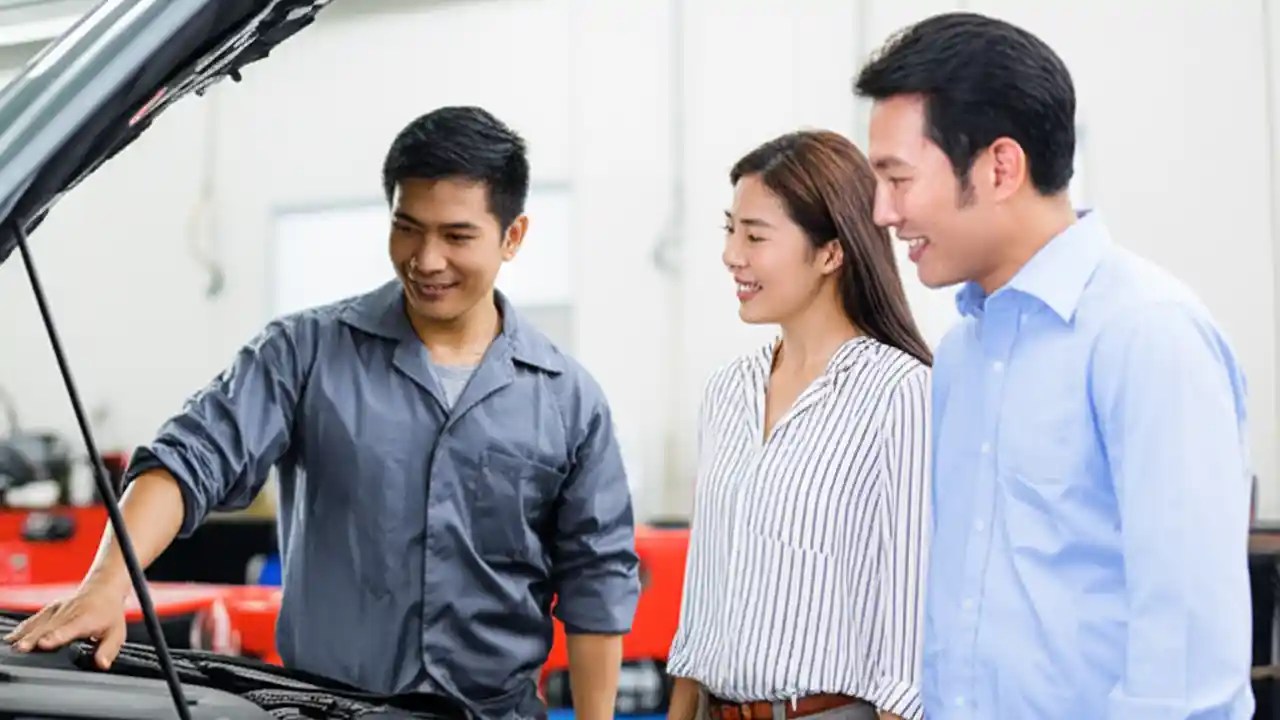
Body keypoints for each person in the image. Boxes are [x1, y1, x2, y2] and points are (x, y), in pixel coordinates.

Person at [4, 106, 641, 720]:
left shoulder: (566, 399)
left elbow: (596, 588)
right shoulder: (304, 354)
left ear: (513, 236)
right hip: (327, 709)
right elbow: (188, 460)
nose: (426, 260)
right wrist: (107, 584)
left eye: (456, 235)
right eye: (407, 226)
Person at [854, 12, 1255, 720]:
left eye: (899, 178)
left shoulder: (1145, 335)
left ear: (1001, 167)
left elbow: (1188, 663)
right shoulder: (962, 355)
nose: (883, 213)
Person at [664, 129, 933, 720]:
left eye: (755, 235)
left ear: (830, 253)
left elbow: (908, 628)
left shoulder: (901, 394)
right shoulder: (728, 390)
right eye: (729, 230)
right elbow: (704, 585)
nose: (732, 254)